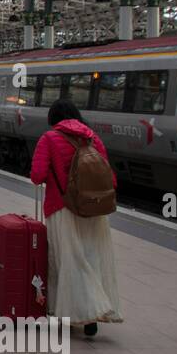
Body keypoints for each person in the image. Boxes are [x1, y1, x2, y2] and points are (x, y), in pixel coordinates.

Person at [29, 99, 122, 337]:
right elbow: (109, 178)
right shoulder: (93, 138)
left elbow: (37, 176)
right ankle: (85, 314)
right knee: (89, 259)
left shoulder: (48, 139)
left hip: (62, 209)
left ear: (53, 120)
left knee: (69, 261)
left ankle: (85, 312)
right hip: (93, 210)